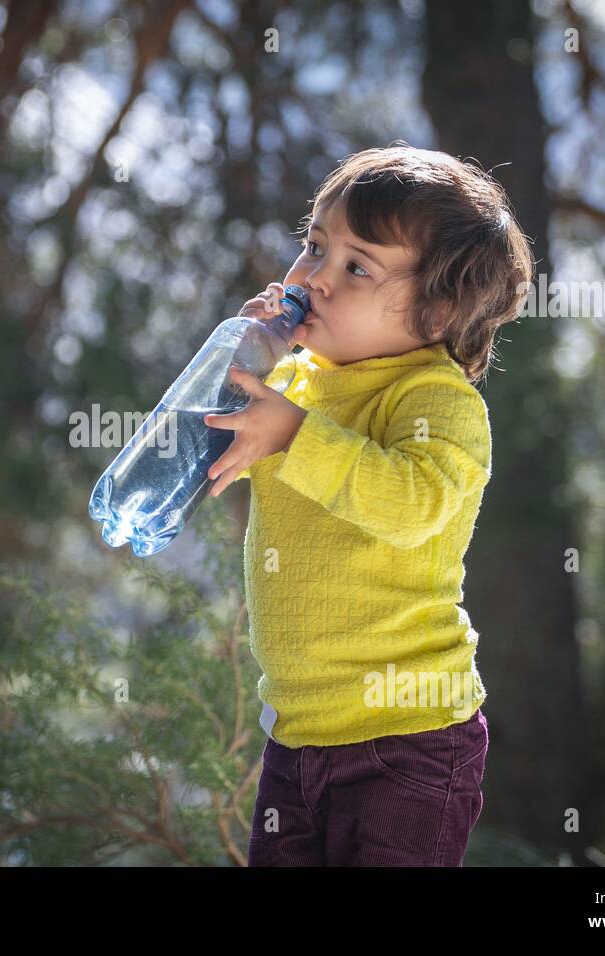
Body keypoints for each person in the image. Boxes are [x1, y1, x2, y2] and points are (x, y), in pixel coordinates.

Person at [203, 144, 533, 866]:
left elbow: (410, 502)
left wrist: (291, 431)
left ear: (436, 307)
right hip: (297, 733)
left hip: (409, 740)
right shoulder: (295, 385)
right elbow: (212, 450)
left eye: (357, 266)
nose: (313, 277)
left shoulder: (436, 400)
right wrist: (248, 367)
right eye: (314, 246)